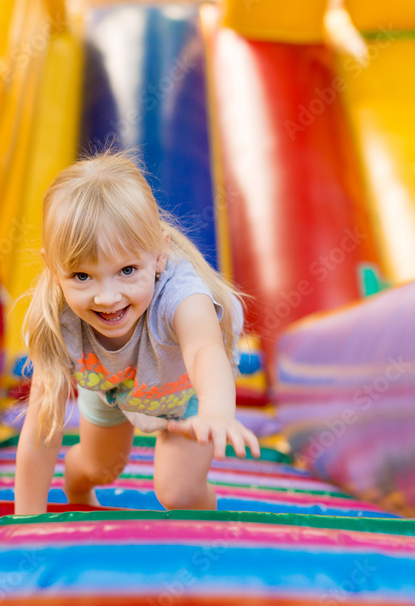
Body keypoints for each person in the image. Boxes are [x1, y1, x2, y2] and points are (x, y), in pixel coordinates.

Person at [13, 152, 261, 515]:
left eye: (127, 270)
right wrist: (25, 519)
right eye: (82, 276)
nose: (108, 297)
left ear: (159, 255)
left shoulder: (183, 298)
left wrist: (217, 412)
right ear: (53, 270)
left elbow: (204, 352)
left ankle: (210, 532)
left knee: (179, 493)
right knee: (101, 467)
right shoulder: (59, 318)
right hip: (110, 383)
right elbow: (42, 426)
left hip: (187, 392)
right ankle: (77, 483)